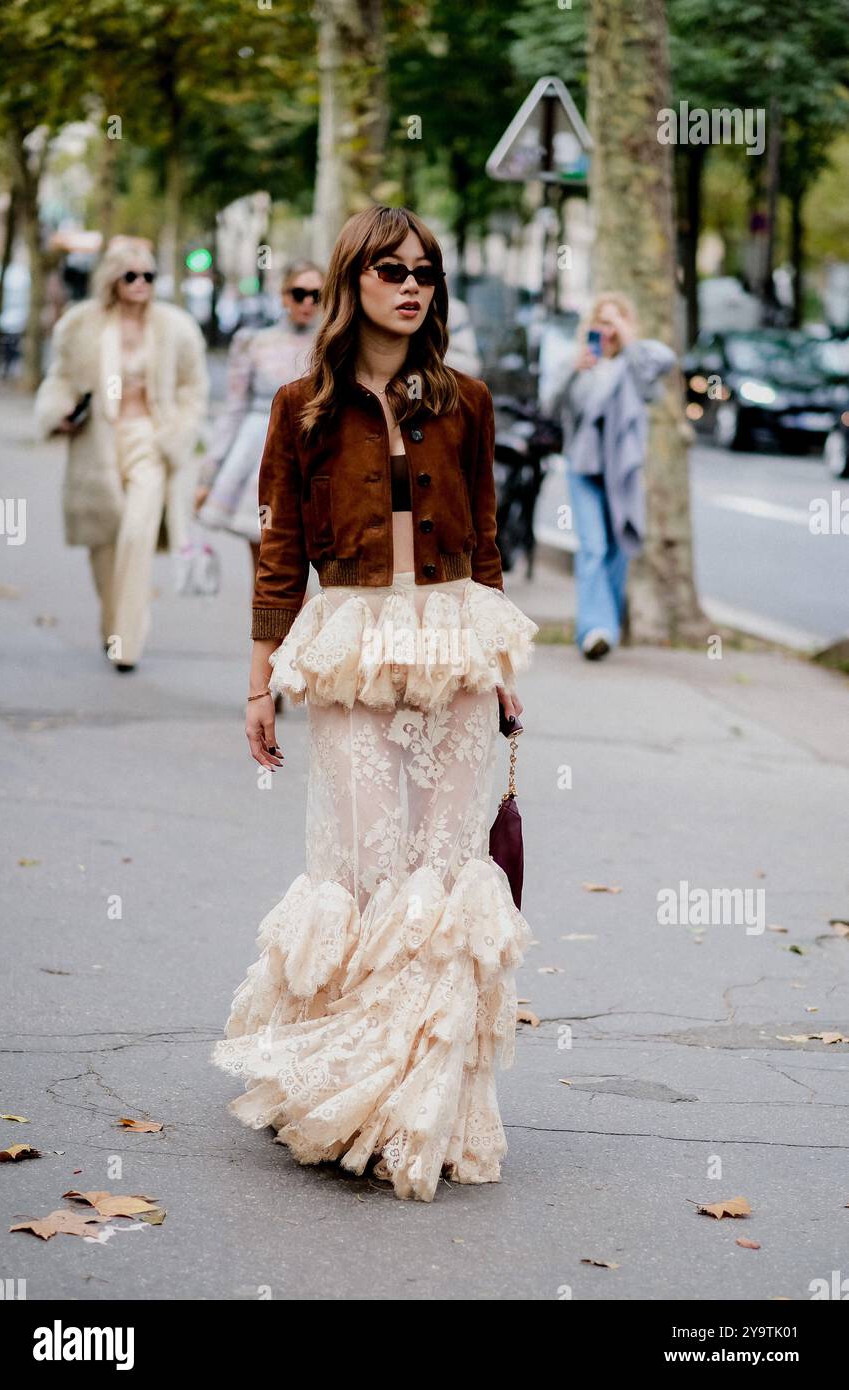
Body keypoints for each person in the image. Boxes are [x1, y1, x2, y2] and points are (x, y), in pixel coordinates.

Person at [210, 205, 539, 1203]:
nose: (410, 284)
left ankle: (418, 1107)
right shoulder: (297, 408)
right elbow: (277, 549)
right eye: (390, 268)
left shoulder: (468, 402)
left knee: (442, 876)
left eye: (426, 271)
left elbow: (483, 541)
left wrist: (501, 666)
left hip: (451, 643)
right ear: (352, 281)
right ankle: (337, 1083)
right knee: (362, 868)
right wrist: (260, 680)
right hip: (349, 639)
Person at [34, 236, 209, 672]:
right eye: (131, 275)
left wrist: (179, 431)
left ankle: (126, 644)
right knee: (105, 544)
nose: (140, 283)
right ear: (113, 279)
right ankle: (111, 624)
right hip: (99, 440)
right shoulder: (82, 325)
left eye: (148, 276)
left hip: (150, 440)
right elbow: (61, 380)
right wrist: (58, 413)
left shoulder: (175, 328)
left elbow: (193, 387)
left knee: (136, 534)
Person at [551, 292, 675, 660]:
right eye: (600, 321)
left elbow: (663, 364)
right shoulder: (579, 364)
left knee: (620, 547)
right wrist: (574, 370)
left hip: (623, 471)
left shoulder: (634, 367)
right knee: (593, 547)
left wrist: (628, 336)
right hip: (583, 466)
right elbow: (550, 405)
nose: (606, 330)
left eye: (613, 322)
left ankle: (603, 625)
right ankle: (596, 631)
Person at [194, 260, 324, 573]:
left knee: (301, 563)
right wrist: (207, 476)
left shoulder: (332, 345)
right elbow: (233, 409)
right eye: (299, 293)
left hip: (312, 452)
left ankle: (298, 621)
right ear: (283, 296)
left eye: (316, 295)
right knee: (264, 563)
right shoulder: (252, 342)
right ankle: (265, 623)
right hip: (257, 454)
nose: (307, 302)